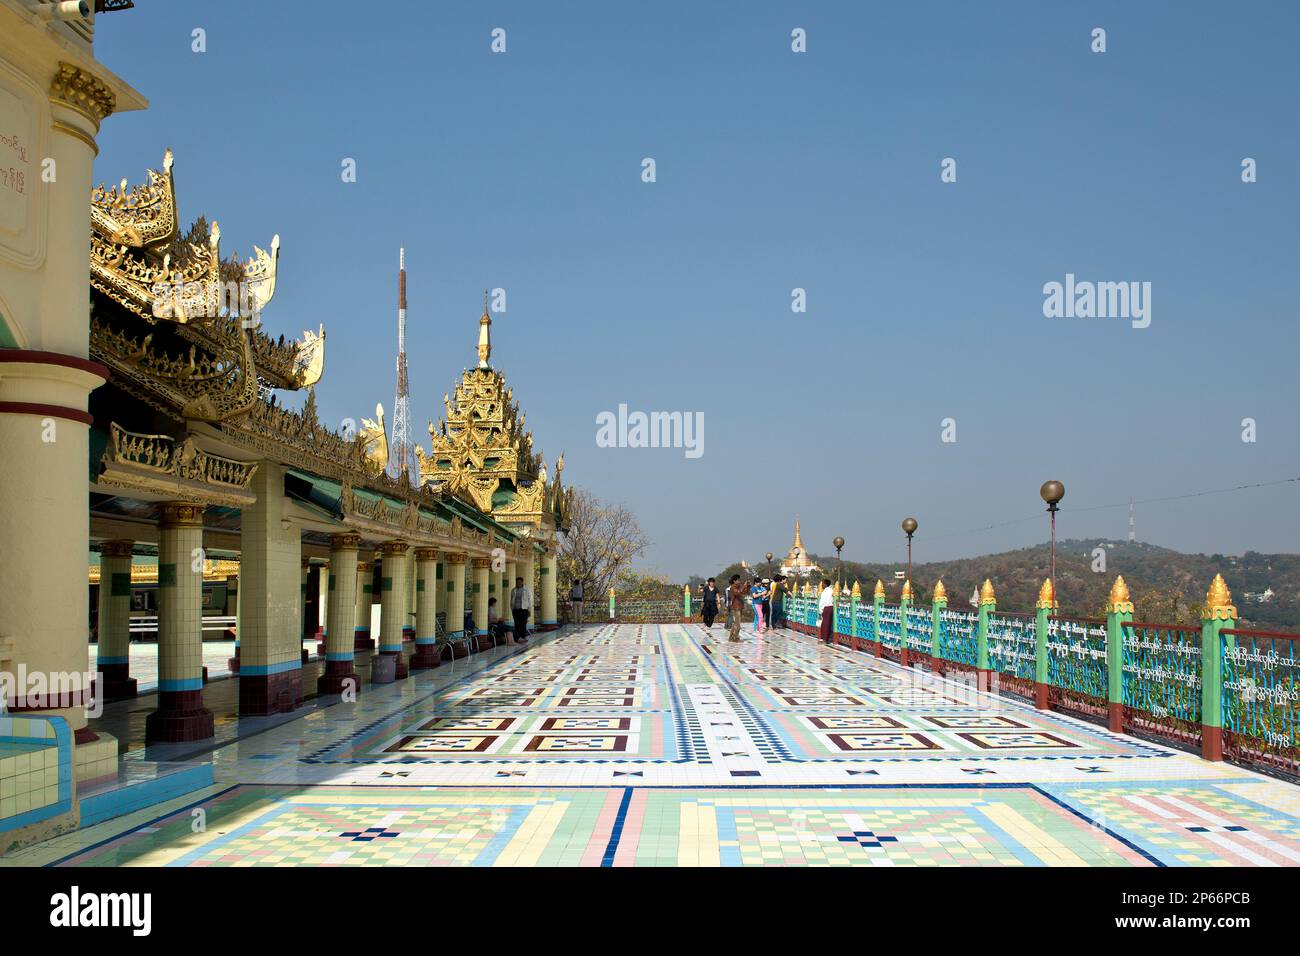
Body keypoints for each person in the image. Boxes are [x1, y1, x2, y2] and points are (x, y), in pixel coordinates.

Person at [510, 575, 533, 643]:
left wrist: (529, 608)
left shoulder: (527, 590)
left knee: (523, 624)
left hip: (524, 609)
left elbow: (530, 599)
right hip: (515, 609)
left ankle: (523, 637)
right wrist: (512, 608)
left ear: (522, 582)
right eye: (517, 582)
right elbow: (511, 600)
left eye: (520, 582)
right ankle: (517, 638)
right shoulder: (513, 590)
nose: (518, 583)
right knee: (517, 624)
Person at [726, 574, 746, 642]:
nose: (739, 581)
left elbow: (744, 592)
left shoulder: (739, 586)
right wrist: (744, 586)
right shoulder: (732, 587)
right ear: (734, 581)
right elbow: (738, 593)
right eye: (738, 580)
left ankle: (731, 637)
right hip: (735, 607)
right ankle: (735, 638)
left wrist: (747, 586)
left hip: (739, 606)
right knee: (737, 624)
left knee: (735, 624)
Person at [817, 578, 835, 644]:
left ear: (825, 584)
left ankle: (824, 639)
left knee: (825, 624)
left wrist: (820, 610)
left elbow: (822, 602)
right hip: (831, 607)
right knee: (828, 624)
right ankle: (827, 638)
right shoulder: (831, 590)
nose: (821, 585)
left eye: (822, 584)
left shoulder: (824, 592)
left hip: (826, 608)